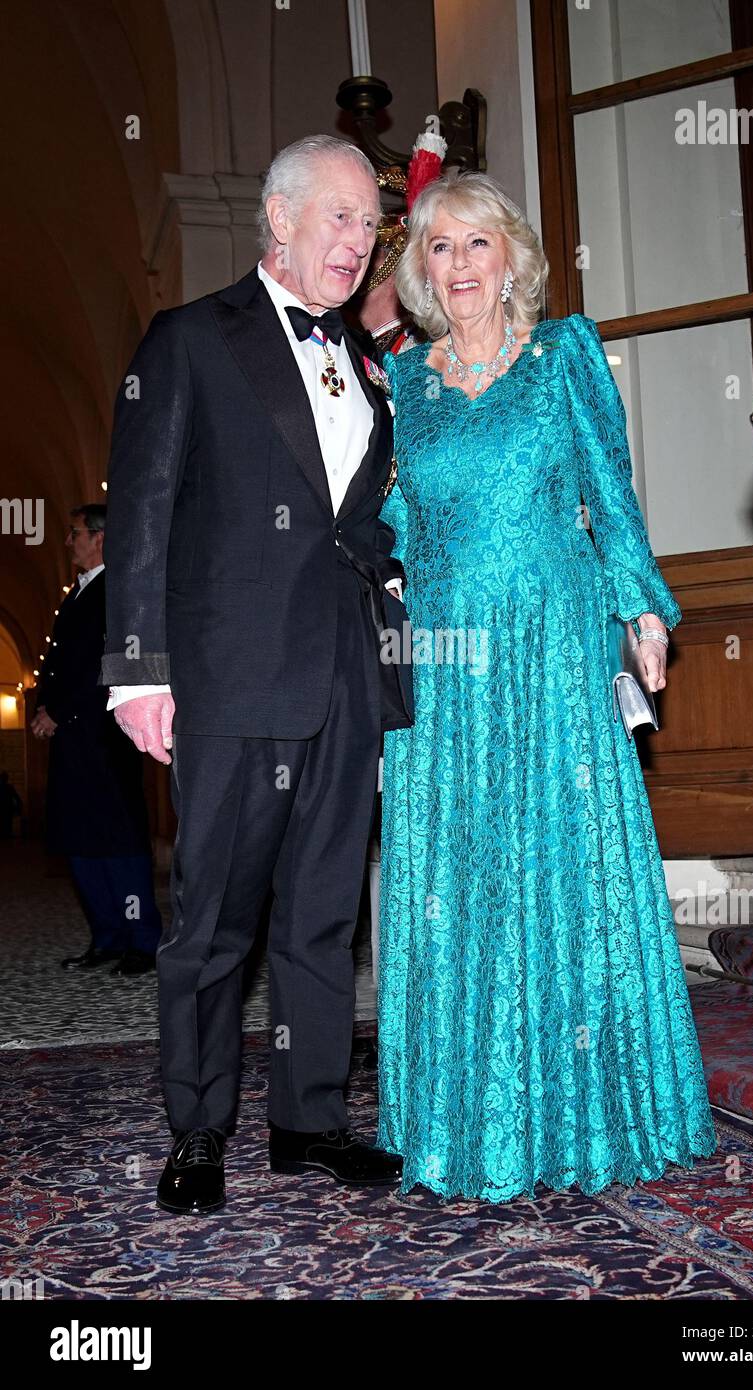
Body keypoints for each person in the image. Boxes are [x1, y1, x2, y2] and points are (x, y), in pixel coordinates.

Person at [376, 169, 717, 1203]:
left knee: (563, 860)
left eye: (479, 243)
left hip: (553, 647)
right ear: (420, 271)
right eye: (439, 248)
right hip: (444, 663)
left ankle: (594, 1109)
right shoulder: (405, 385)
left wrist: (642, 612)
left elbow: (611, 497)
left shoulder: (566, 356)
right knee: (458, 874)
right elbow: (391, 530)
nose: (461, 265)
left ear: (514, 256)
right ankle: (461, 1122)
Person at [100, 134, 413, 1215]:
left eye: (372, 223)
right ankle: (198, 1125)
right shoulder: (189, 340)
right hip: (230, 675)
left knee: (325, 912)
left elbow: (357, 522)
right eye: (340, 216)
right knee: (213, 920)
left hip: (343, 674)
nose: (359, 241)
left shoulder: (365, 360)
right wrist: (136, 670)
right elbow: (140, 510)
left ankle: (308, 1120)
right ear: (278, 220)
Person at [31, 505, 162, 976]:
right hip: (73, 740)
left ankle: (143, 940)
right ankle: (106, 936)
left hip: (105, 739)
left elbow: (104, 666)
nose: (68, 542)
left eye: (74, 533)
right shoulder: (76, 595)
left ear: (101, 538)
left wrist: (58, 712)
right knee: (81, 840)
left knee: (119, 840)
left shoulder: (117, 590)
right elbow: (58, 665)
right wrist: (44, 708)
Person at [0, 771, 23, 839]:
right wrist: (18, 808)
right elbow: (17, 798)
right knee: (8, 825)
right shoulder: (10, 787)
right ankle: (7, 837)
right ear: (7, 779)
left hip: (1, 809)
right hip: (8, 809)